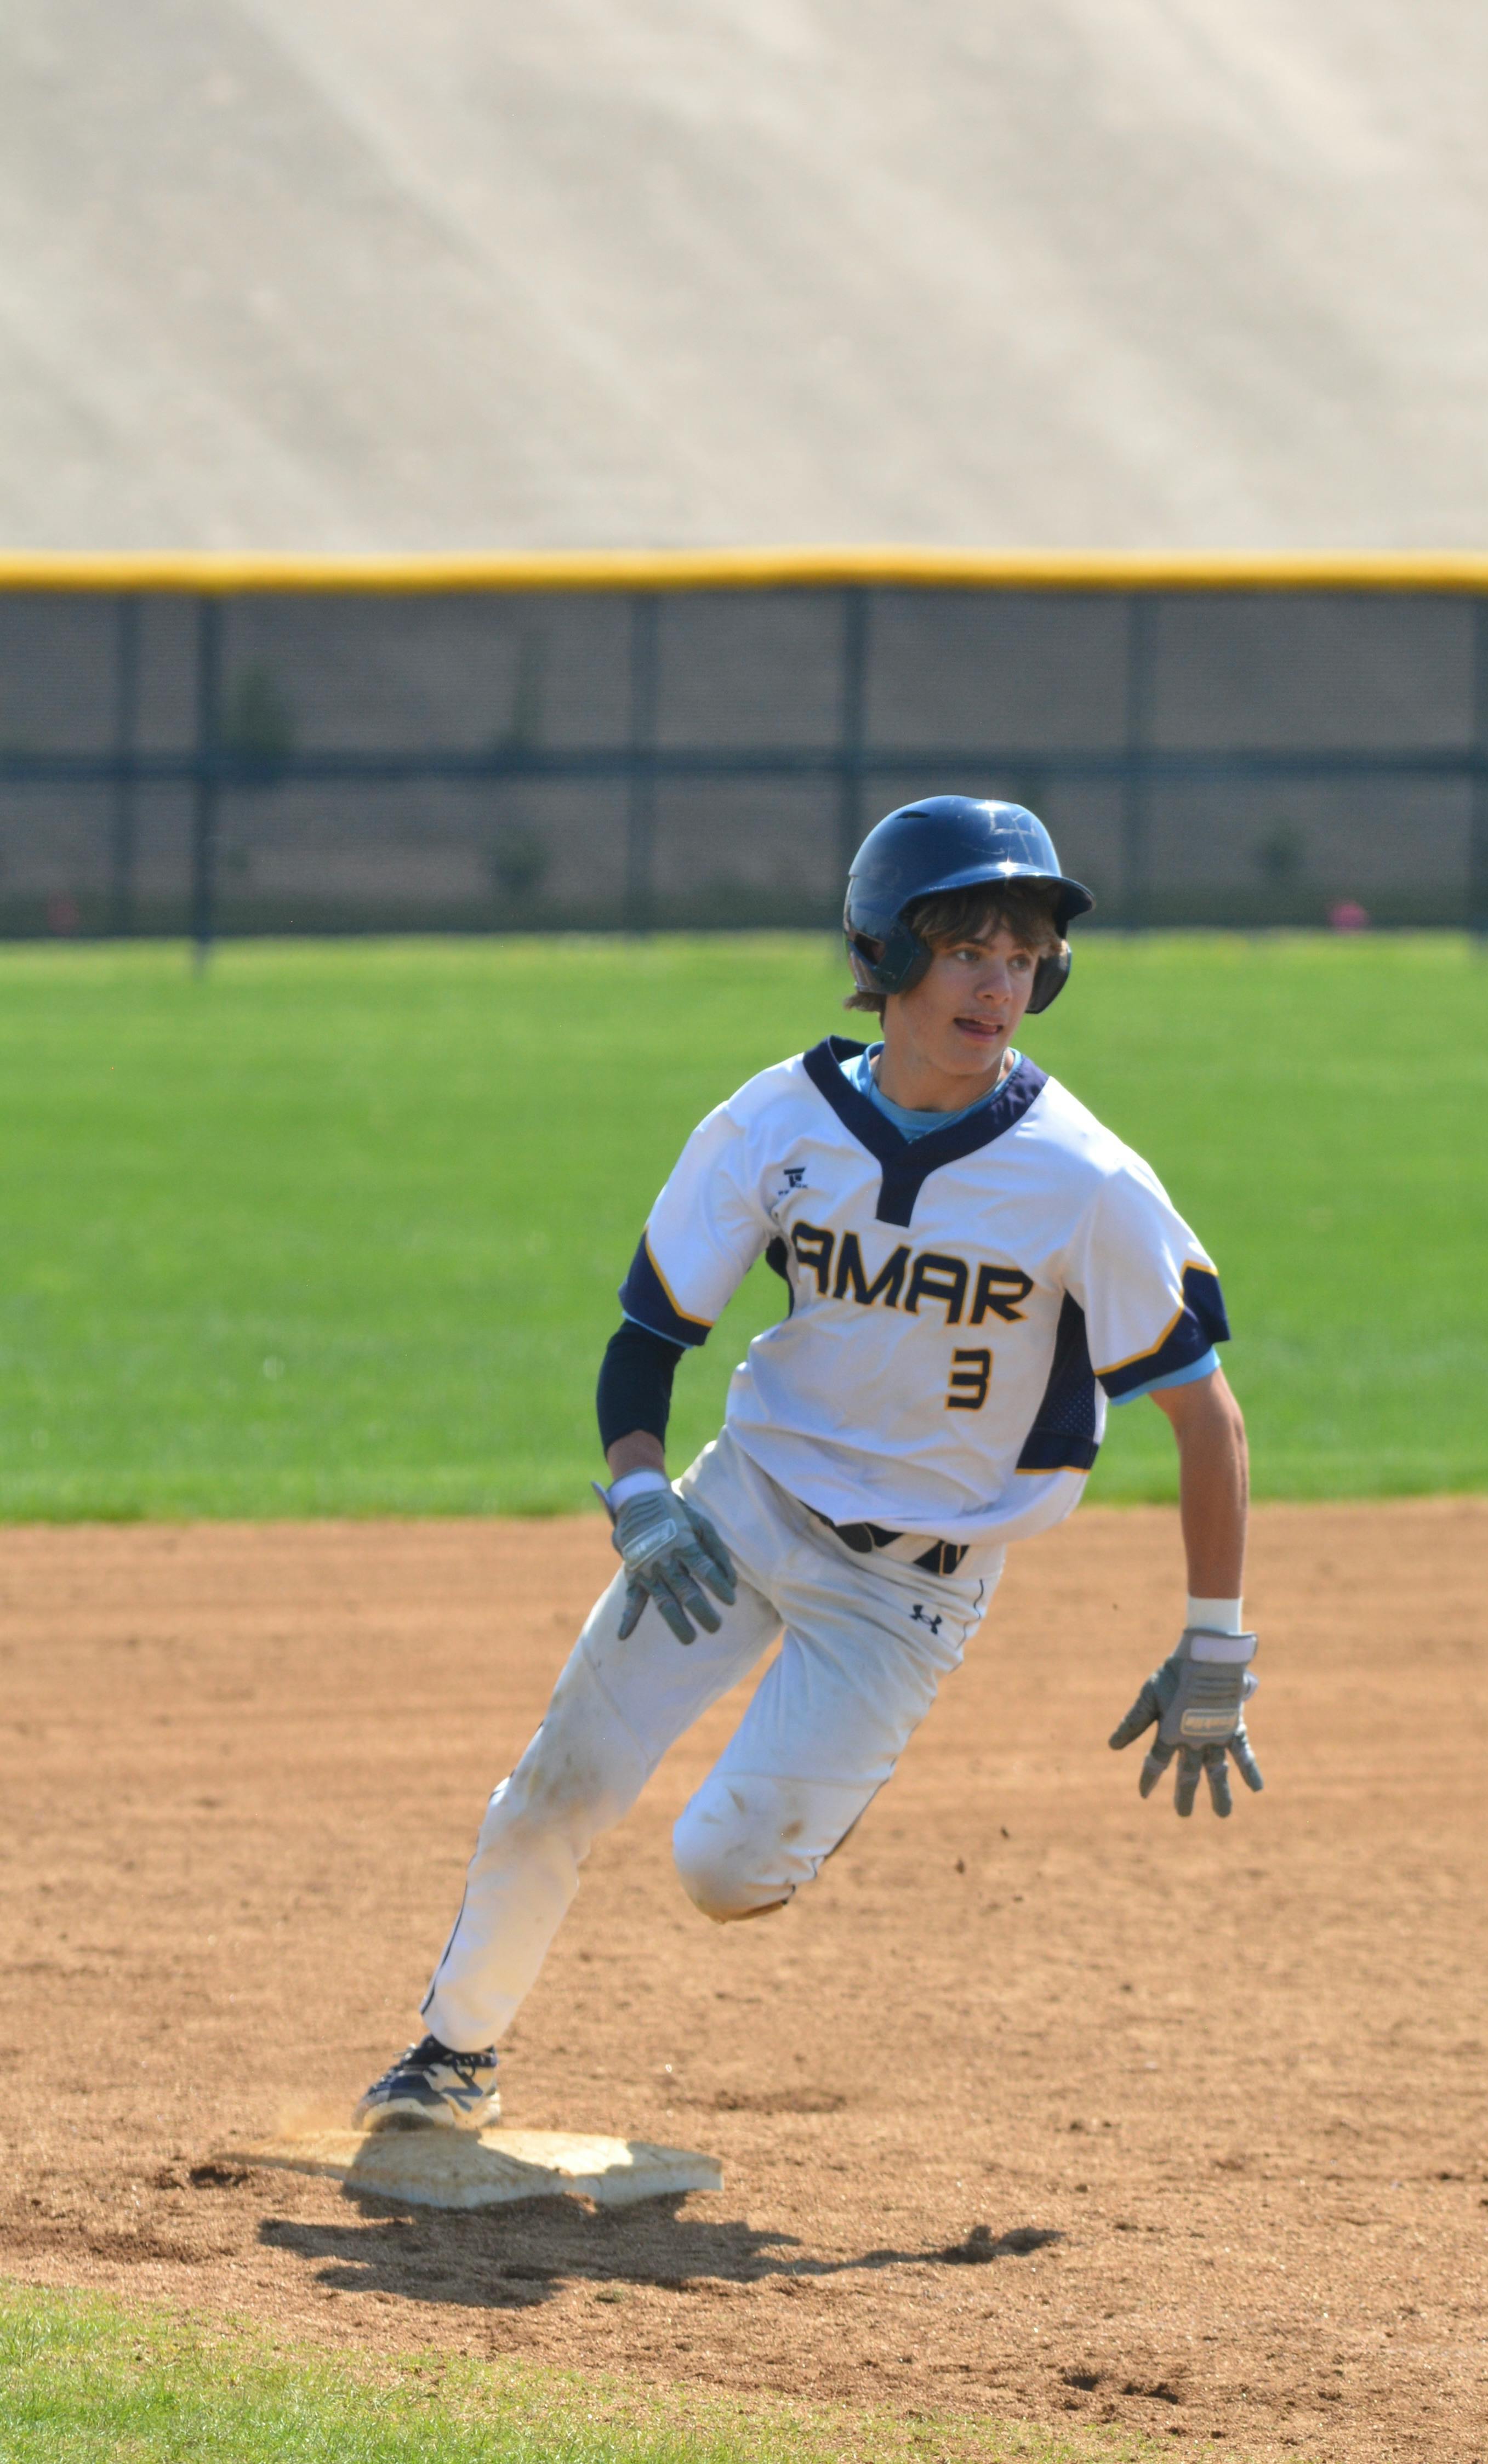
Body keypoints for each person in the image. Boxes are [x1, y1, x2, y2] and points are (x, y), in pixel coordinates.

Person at [356, 798, 1262, 2135]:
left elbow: (1208, 1420)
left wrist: (1214, 1643)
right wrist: (643, 1494)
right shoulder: (774, 1122)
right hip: (743, 1511)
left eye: (1023, 955)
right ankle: (451, 2056)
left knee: (718, 1871)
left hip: (910, 1593)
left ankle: (805, 1803)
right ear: (887, 955)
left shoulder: (1087, 1182)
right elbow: (647, 1339)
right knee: (556, 1787)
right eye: (966, 947)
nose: (1000, 981)